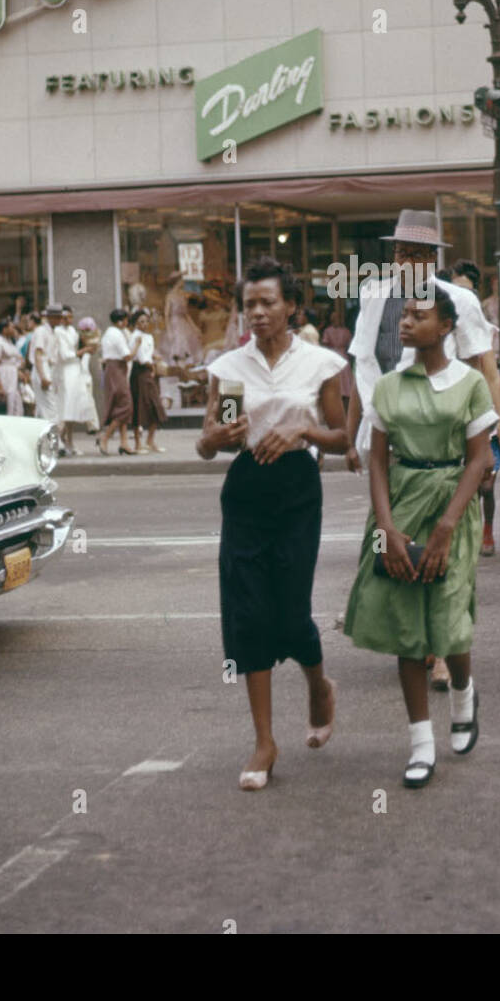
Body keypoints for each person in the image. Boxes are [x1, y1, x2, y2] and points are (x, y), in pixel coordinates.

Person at [197, 257, 348, 791]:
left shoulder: (320, 363)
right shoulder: (228, 366)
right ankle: (264, 740)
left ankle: (318, 685)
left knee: (290, 611)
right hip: (244, 492)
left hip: (296, 492)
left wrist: (304, 431)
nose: (257, 313)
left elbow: (343, 436)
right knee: (247, 614)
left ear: (291, 307)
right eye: (250, 304)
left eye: (267, 303)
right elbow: (206, 442)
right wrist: (214, 439)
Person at [347, 210, 500, 680]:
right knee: (391, 541)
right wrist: (351, 434)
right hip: (388, 438)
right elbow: (362, 364)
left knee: (443, 547)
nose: (408, 262)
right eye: (402, 252)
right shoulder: (374, 295)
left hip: (443, 437)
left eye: (419, 254)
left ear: (433, 259)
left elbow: (485, 364)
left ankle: (440, 649)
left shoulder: (457, 300)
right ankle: (411, 634)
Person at [343, 285, 495, 789]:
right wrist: (385, 528)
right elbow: (379, 462)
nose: (406, 322)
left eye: (419, 315)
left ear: (447, 326)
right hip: (401, 504)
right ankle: (420, 745)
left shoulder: (470, 382)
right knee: (406, 627)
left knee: (449, 615)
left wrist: (450, 525)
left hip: (453, 503)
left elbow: (480, 459)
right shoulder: (388, 386)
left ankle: (464, 694)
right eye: (404, 314)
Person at [445, 260, 500, 557]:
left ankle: (488, 530)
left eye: (467, 290)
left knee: (487, 484)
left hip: (482, 411)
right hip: (453, 413)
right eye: (456, 289)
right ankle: (461, 536)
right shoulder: (439, 328)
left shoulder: (486, 328)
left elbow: (492, 374)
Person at [129, 308, 167, 454]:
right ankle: (138, 443)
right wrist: (152, 365)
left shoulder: (148, 337)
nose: (144, 324)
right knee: (140, 406)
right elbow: (141, 358)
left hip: (149, 372)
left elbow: (149, 354)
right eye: (140, 322)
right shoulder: (135, 337)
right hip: (140, 373)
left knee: (155, 406)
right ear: (135, 323)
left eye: (145, 321)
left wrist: (155, 359)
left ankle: (150, 440)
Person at [97, 308, 135, 456]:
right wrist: (137, 345)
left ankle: (124, 442)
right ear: (120, 321)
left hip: (113, 369)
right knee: (125, 405)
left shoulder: (108, 333)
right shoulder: (117, 334)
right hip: (117, 369)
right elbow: (127, 356)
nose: (127, 323)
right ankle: (105, 437)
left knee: (119, 405)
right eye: (125, 320)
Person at [54, 307, 86, 453]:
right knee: (65, 406)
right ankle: (61, 438)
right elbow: (65, 354)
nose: (68, 320)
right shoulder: (57, 332)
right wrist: (82, 351)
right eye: (65, 317)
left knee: (73, 406)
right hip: (64, 371)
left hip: (75, 369)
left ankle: (70, 441)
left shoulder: (73, 331)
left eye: (70, 317)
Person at [31, 306, 63, 425]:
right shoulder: (41, 331)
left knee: (42, 409)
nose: (60, 320)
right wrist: (43, 376)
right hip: (42, 368)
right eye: (57, 317)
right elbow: (38, 355)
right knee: (51, 408)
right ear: (49, 317)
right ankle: (54, 441)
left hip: (49, 368)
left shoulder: (53, 332)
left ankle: (41, 440)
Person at [0, 317, 25, 415]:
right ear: (4, 329)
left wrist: (18, 371)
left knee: (15, 405)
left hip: (12, 376)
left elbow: (18, 359)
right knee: (6, 405)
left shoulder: (11, 343)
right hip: (3, 376)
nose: (14, 330)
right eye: (11, 327)